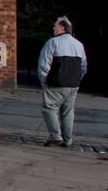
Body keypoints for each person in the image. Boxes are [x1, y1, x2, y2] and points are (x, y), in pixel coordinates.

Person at [37, 16, 87, 147]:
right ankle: (67, 139)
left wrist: (44, 80)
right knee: (68, 111)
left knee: (49, 108)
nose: (53, 28)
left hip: (56, 83)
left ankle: (55, 136)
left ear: (62, 27)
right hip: (73, 84)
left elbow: (44, 64)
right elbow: (83, 67)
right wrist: (77, 79)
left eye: (55, 25)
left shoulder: (53, 42)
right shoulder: (79, 44)